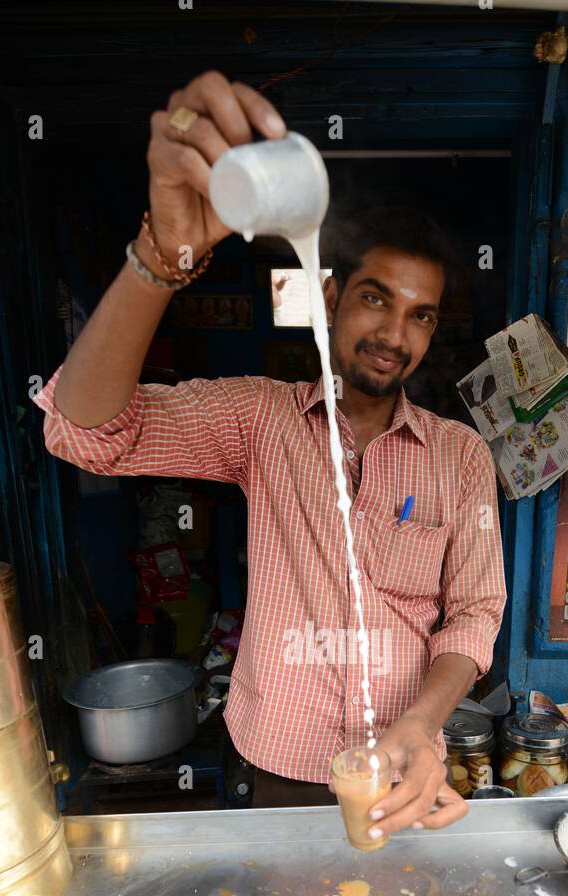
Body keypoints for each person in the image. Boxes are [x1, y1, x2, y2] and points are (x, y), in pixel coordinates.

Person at [36, 71, 506, 842]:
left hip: (403, 766)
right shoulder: (261, 419)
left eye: (419, 315)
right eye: (375, 298)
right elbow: (85, 431)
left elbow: (474, 613)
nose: (395, 334)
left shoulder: (458, 457)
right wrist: (161, 258)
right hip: (278, 767)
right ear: (329, 298)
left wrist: (424, 724)